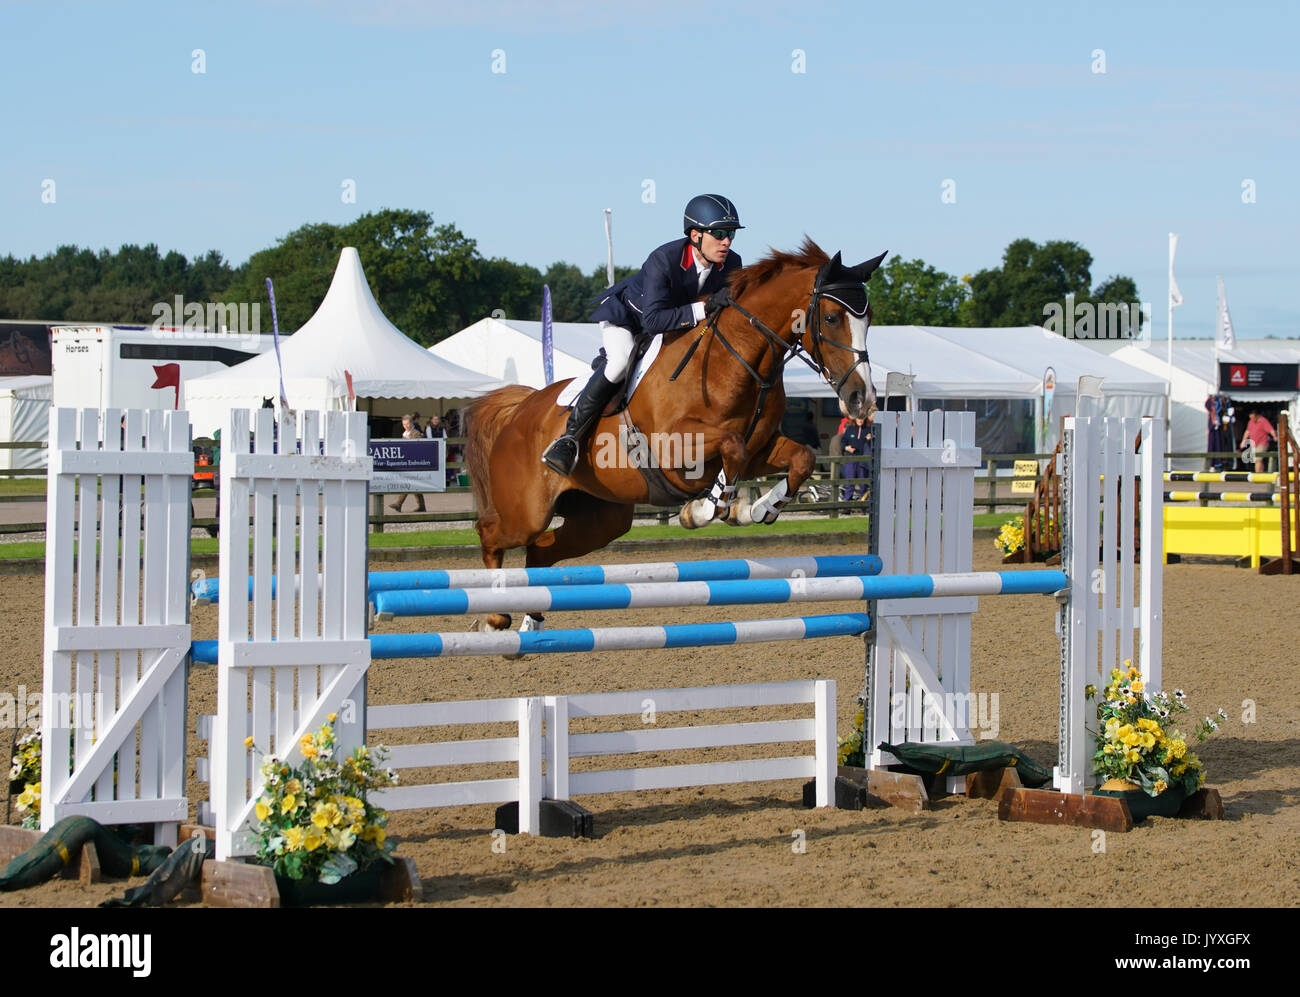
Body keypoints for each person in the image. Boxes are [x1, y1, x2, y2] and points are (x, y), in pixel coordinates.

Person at [540, 194, 745, 476]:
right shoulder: (664, 259)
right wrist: (703, 308)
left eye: (730, 234)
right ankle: (568, 439)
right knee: (620, 362)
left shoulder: (732, 263)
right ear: (695, 235)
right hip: (629, 320)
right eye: (719, 234)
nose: (727, 242)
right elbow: (653, 320)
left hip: (674, 325)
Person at [388, 413, 427, 513]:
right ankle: (421, 506)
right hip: (407, 462)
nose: (406, 426)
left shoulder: (416, 433)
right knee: (414, 484)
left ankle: (398, 504)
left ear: (411, 423)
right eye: (404, 424)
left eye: (407, 424)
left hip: (415, 462)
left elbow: (417, 447)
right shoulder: (404, 433)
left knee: (408, 482)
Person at [839, 415, 871, 504]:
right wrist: (846, 448)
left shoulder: (869, 429)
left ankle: (863, 506)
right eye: (858, 418)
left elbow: (873, 445)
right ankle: (847, 506)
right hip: (851, 459)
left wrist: (869, 440)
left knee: (863, 484)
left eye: (862, 418)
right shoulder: (850, 429)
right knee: (849, 483)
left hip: (863, 460)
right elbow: (843, 442)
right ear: (855, 419)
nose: (860, 420)